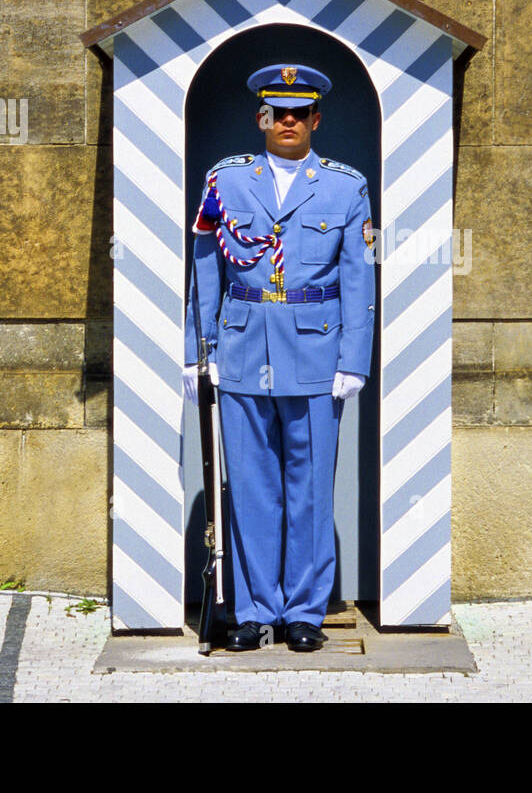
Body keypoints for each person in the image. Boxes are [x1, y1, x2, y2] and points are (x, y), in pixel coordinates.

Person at [183, 63, 375, 653]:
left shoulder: (346, 186)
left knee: (311, 487)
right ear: (260, 118)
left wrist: (354, 360)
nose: (288, 121)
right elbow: (206, 268)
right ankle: (255, 609)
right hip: (241, 346)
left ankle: (304, 612)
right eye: (277, 112)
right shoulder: (226, 182)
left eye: (300, 112)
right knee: (250, 486)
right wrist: (197, 351)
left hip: (317, 352)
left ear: (316, 119)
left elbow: (358, 278)